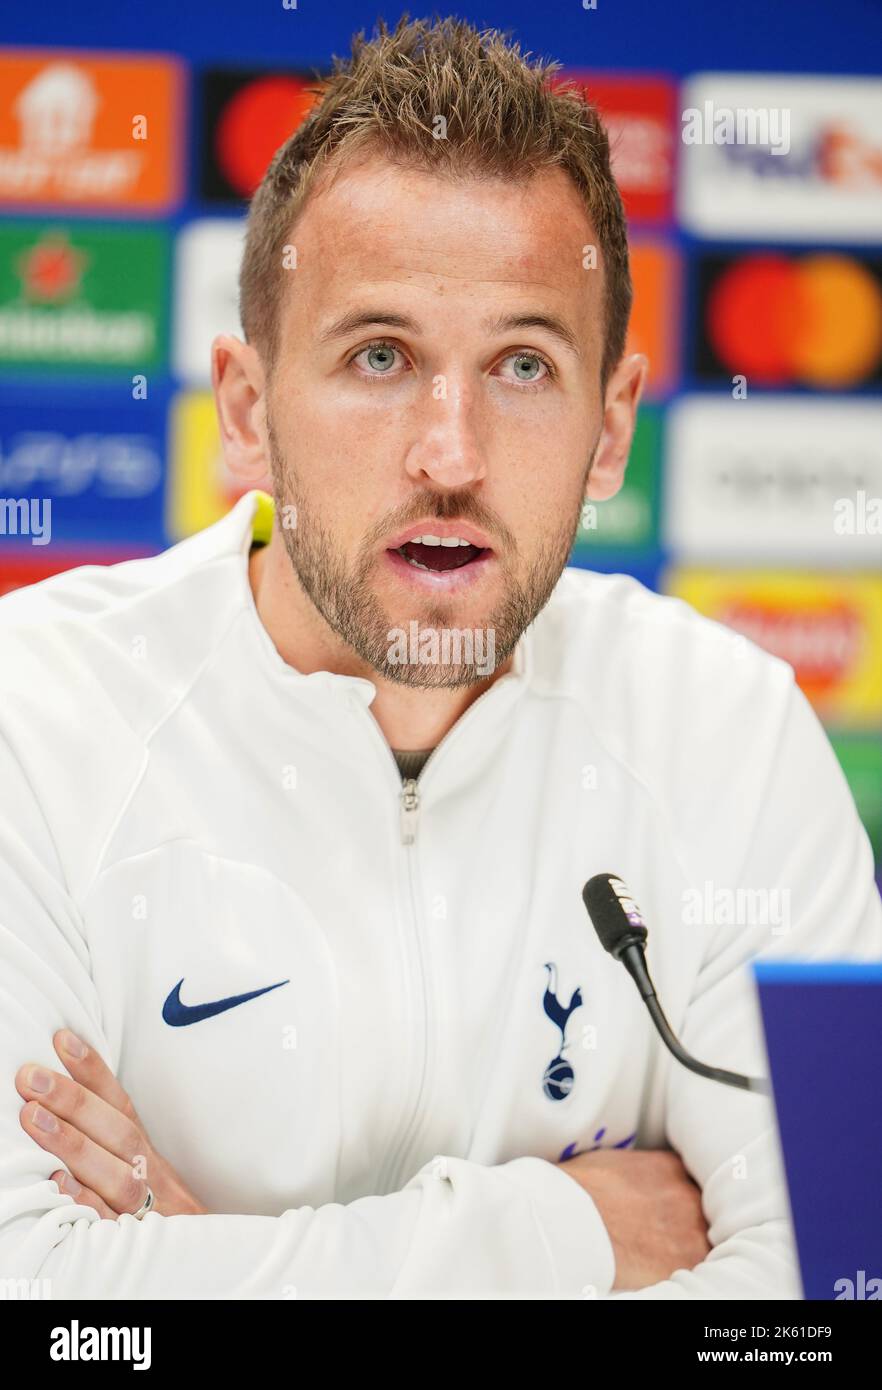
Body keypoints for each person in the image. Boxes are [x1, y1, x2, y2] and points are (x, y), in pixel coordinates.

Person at [1, 15, 880, 1300]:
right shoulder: (34, 716)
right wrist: (556, 1237)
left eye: (523, 364)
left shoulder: (734, 731)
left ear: (610, 427)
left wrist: (202, 1267)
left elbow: (843, 1284)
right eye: (379, 356)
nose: (450, 453)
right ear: (245, 412)